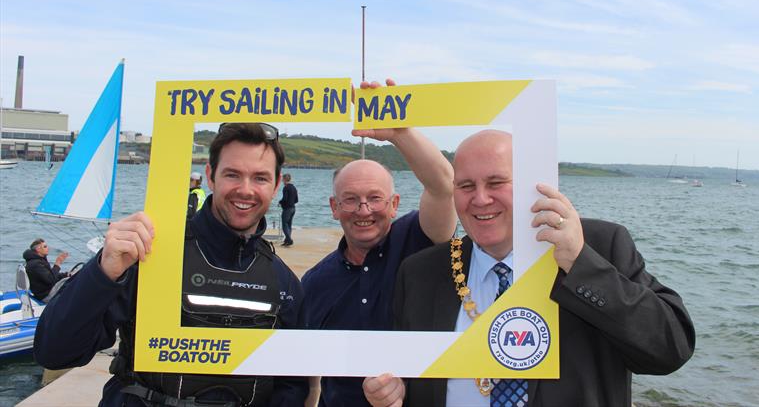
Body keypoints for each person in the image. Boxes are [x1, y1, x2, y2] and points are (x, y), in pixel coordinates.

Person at [364, 130, 695, 407]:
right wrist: (392, 394)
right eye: (466, 186)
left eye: (496, 182)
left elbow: (670, 349)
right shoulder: (422, 272)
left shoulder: (600, 245)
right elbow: (408, 377)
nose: (480, 199)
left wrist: (581, 264)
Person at [34, 122, 308, 407]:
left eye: (260, 178)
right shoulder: (149, 256)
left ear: (277, 186)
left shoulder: (283, 283)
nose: (246, 190)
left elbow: (291, 385)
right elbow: (54, 352)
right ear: (211, 177)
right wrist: (103, 272)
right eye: (232, 174)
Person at [301, 79, 458, 407]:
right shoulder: (314, 281)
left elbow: (445, 185)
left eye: (375, 198)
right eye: (350, 199)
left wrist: (401, 134)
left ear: (394, 204)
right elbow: (309, 371)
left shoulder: (419, 238)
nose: (364, 210)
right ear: (333, 208)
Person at [279, 173, 299, 247]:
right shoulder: (294, 188)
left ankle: (289, 240)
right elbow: (296, 200)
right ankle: (287, 240)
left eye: (282, 179)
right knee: (289, 224)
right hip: (293, 208)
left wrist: (280, 202)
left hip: (287, 209)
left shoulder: (286, 188)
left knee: (284, 224)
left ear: (284, 180)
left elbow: (285, 199)